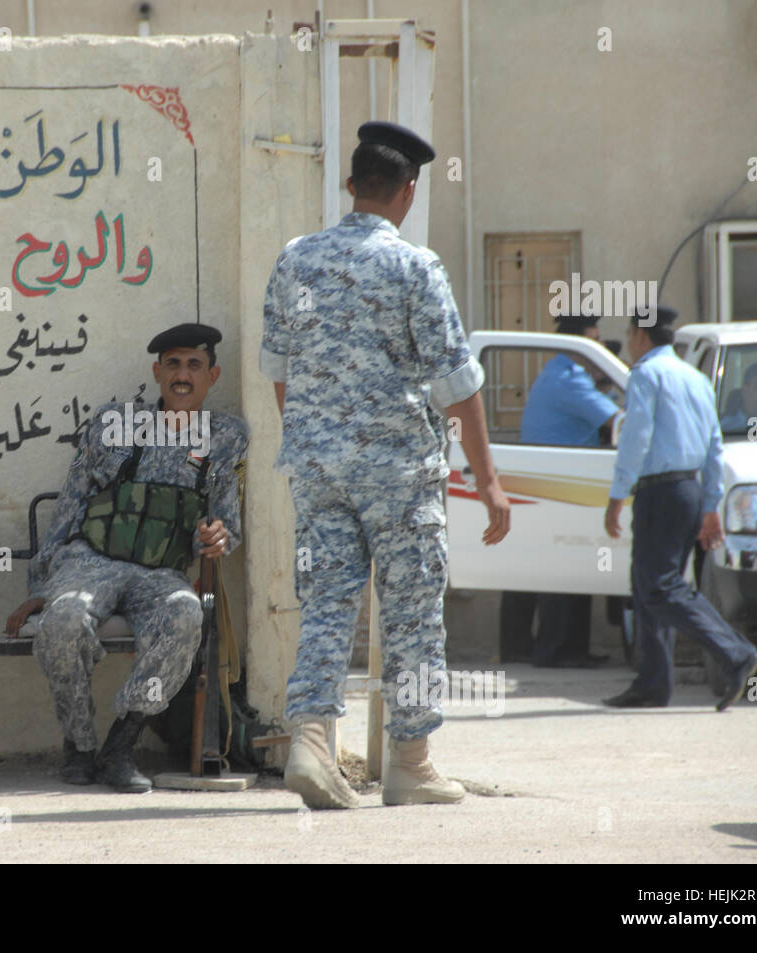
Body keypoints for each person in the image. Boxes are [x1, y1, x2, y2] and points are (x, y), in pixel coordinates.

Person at [261, 121, 511, 810]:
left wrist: (317, 438)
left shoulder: (294, 260)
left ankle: (311, 741)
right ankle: (411, 763)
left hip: (317, 465)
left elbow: (279, 370)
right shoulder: (415, 267)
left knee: (327, 604)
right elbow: (458, 383)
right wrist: (489, 481)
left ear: (349, 187)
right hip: (398, 470)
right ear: (408, 190)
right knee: (410, 615)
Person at [5, 323, 248, 794]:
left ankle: (121, 745)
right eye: (172, 365)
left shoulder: (226, 436)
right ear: (157, 372)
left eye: (194, 366)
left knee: (185, 613)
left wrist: (220, 538)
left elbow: (227, 523)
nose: (182, 375)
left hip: (160, 575)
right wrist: (42, 586)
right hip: (89, 563)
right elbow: (71, 504)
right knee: (65, 619)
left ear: (212, 376)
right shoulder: (112, 425)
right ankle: (79, 746)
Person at [603, 307, 757, 710]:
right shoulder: (695, 378)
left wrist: (617, 495)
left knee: (660, 586)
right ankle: (652, 683)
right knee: (648, 585)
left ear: (641, 336)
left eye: (629, 333)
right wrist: (710, 503)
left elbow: (636, 436)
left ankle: (735, 652)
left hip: (660, 491)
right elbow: (714, 444)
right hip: (688, 490)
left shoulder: (646, 374)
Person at [518, 311, 622, 667]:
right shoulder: (571, 379)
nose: (599, 348)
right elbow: (618, 421)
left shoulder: (558, 371)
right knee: (566, 568)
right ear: (579, 344)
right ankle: (556, 650)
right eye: (594, 341)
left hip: (560, 480)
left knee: (571, 566)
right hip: (563, 483)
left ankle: (568, 649)